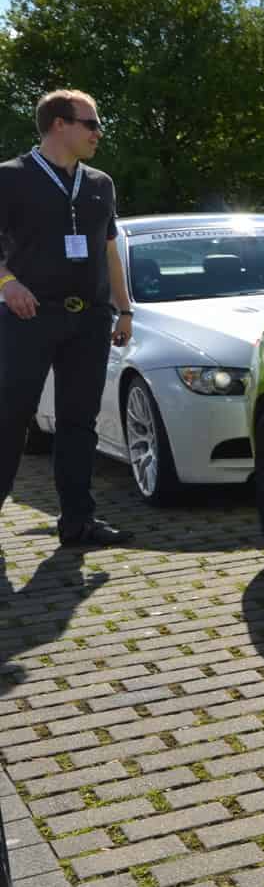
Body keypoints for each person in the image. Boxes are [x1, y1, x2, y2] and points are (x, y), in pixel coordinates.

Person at [0, 89, 134, 547]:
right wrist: (6, 283)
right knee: (10, 417)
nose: (99, 132)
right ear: (60, 124)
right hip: (28, 317)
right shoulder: (10, 178)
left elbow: (110, 251)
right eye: (91, 123)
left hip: (90, 320)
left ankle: (78, 522)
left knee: (80, 423)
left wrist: (124, 309)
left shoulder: (101, 183)